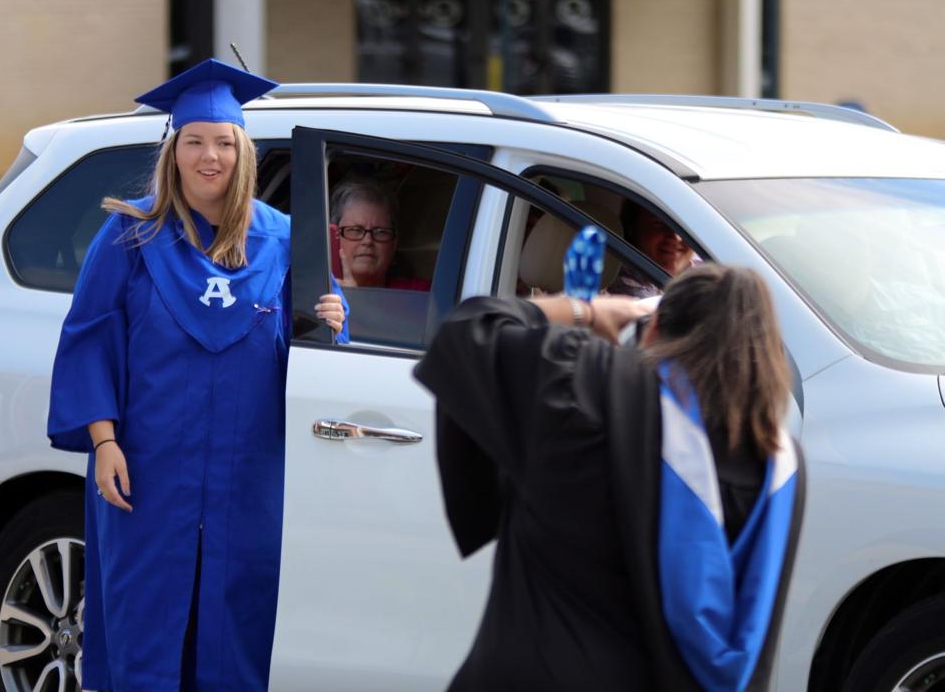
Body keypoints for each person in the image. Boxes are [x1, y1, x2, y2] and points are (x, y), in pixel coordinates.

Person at [46, 59, 347, 692]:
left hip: (248, 478)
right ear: (173, 149)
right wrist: (103, 443)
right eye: (194, 141)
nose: (210, 157)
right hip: (149, 472)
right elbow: (89, 340)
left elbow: (312, 356)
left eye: (224, 142)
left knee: (238, 628)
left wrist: (333, 320)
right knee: (142, 626)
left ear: (244, 151)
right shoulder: (130, 234)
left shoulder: (288, 241)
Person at [414, 264, 803, 691]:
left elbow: (470, 327)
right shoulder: (777, 465)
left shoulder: (582, 385)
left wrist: (586, 312)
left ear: (652, 330)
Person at [329, 177, 430, 290]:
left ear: (394, 243)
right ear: (334, 238)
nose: (368, 241)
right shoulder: (312, 292)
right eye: (355, 230)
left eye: (380, 232)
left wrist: (353, 299)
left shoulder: (420, 295)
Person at [608, 200, 697, 298]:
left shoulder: (706, 260)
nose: (676, 237)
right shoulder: (629, 292)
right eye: (659, 223)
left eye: (684, 227)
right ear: (632, 227)